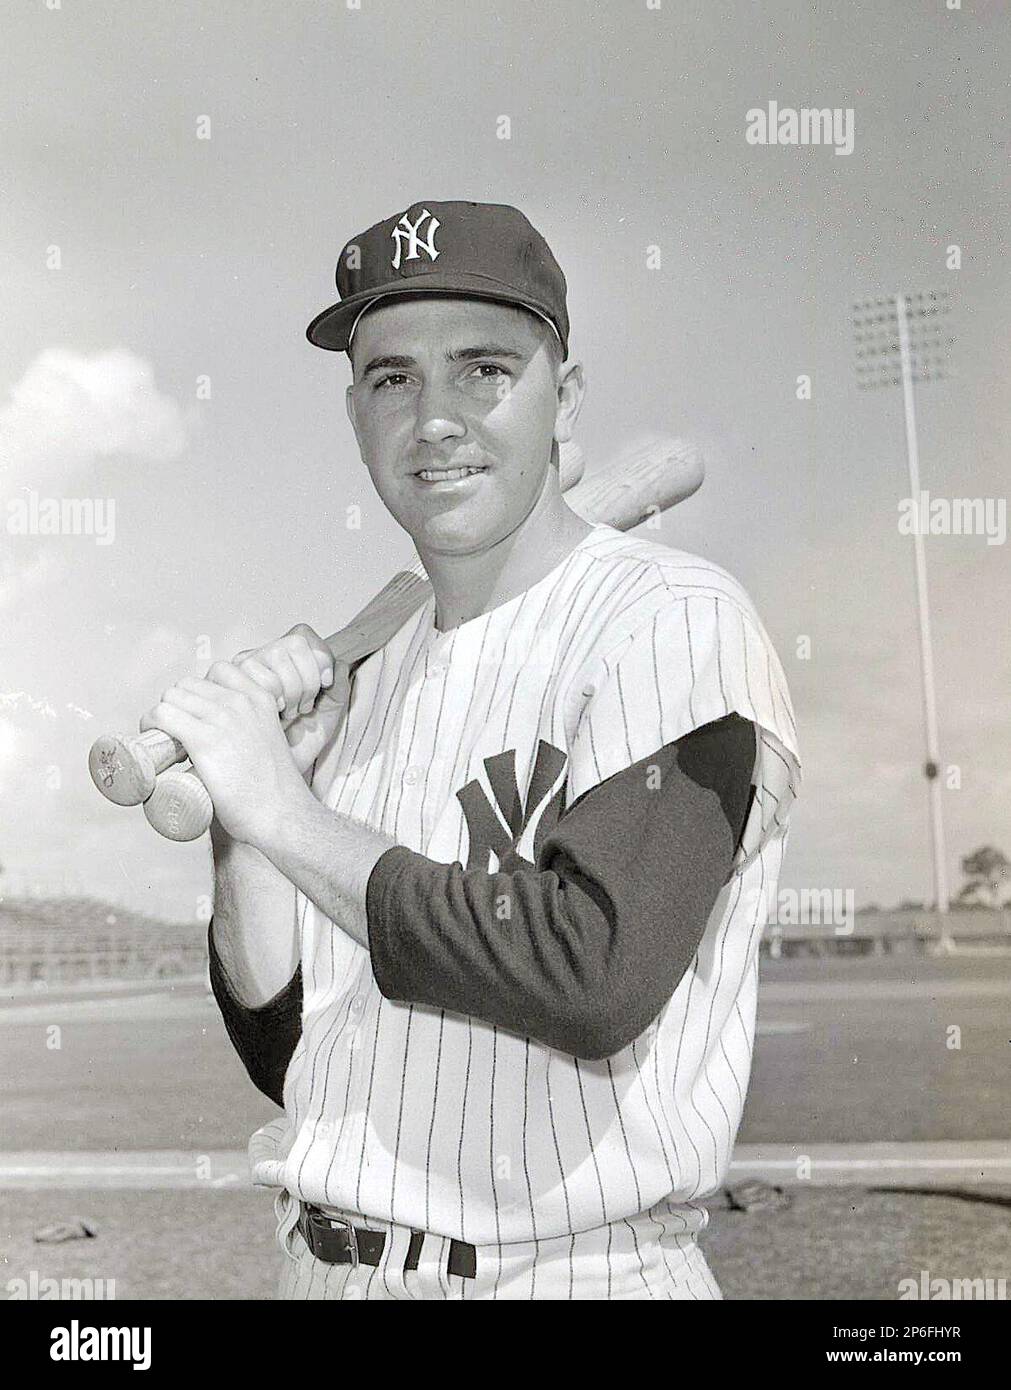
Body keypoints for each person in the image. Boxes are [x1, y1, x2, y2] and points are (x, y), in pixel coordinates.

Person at [142, 199, 801, 1299]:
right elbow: (292, 1057)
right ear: (357, 412)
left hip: (562, 1277)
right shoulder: (377, 669)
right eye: (393, 378)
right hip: (326, 1270)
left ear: (565, 398)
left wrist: (294, 817)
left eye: (482, 368)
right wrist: (251, 827)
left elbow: (596, 973)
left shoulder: (674, 622)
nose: (434, 418)